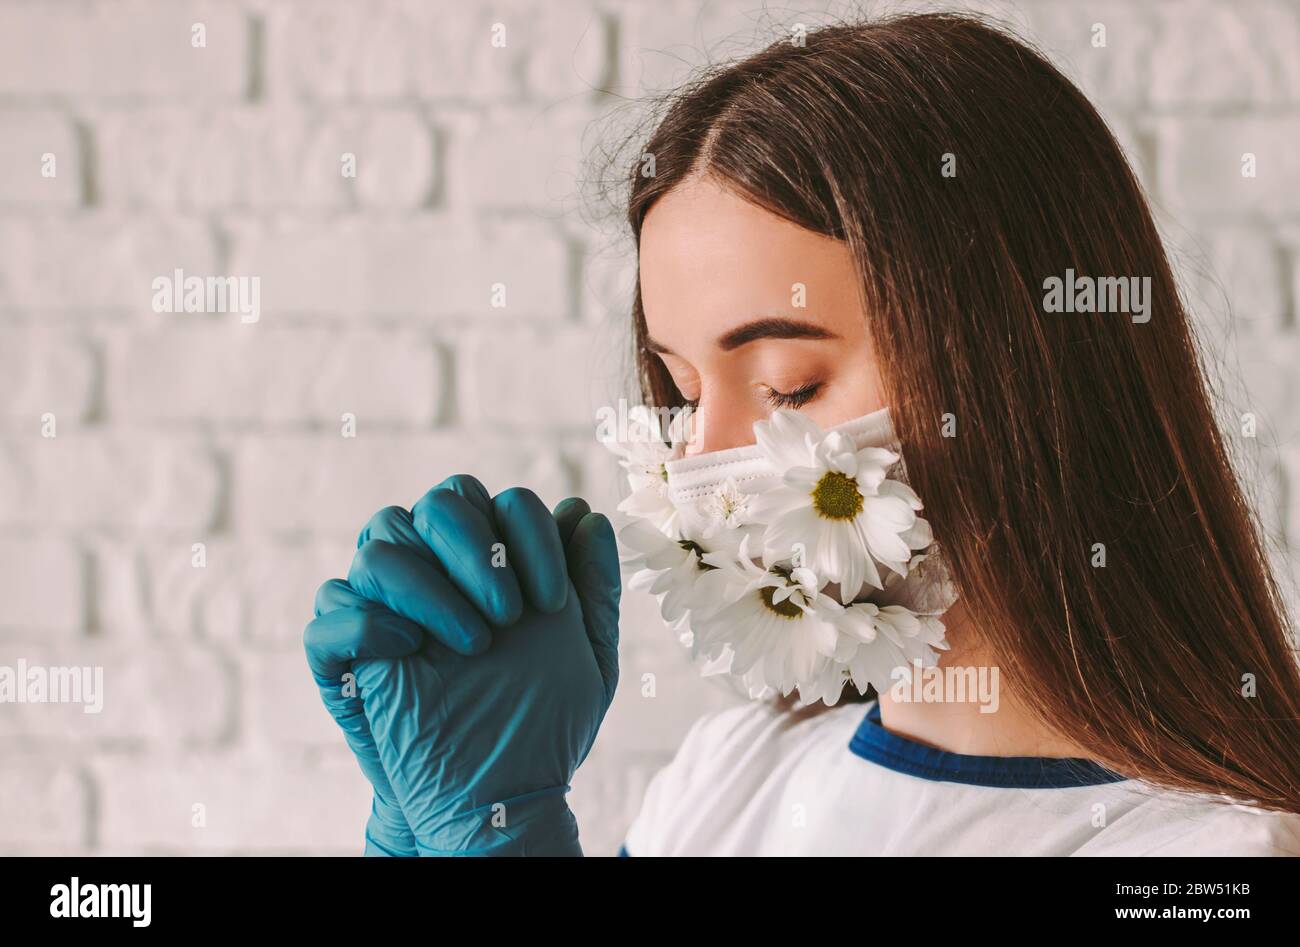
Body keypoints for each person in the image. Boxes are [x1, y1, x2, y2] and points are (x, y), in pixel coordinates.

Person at [303, 13, 1300, 856]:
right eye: (685, 393)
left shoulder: (1207, 857)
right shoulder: (732, 772)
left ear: (1020, 369)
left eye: (789, 385)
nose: (703, 462)